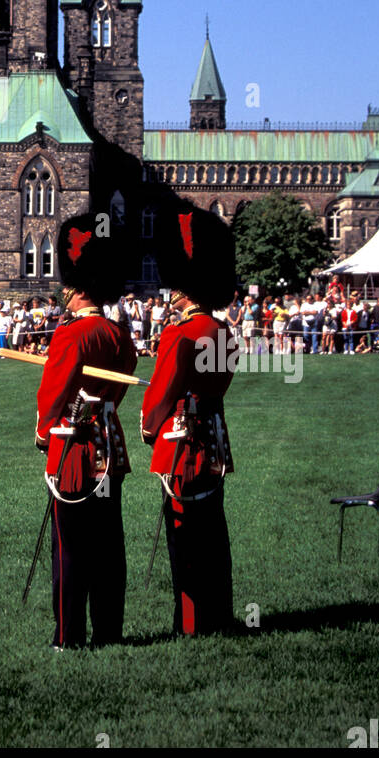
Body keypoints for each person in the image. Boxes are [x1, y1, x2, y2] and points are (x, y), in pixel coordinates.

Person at [34, 212, 136, 650]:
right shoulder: (118, 335)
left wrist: (43, 434)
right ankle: (109, 631)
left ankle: (69, 636)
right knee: (108, 548)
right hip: (109, 449)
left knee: (70, 549)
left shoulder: (71, 334)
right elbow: (123, 382)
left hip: (74, 453)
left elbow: (51, 398)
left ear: (76, 288)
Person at [141, 206, 236, 637]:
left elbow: (160, 395)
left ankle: (193, 624)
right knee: (214, 532)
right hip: (214, 438)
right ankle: (219, 614)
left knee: (185, 534)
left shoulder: (179, 333)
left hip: (182, 443)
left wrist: (147, 425)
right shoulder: (224, 333)